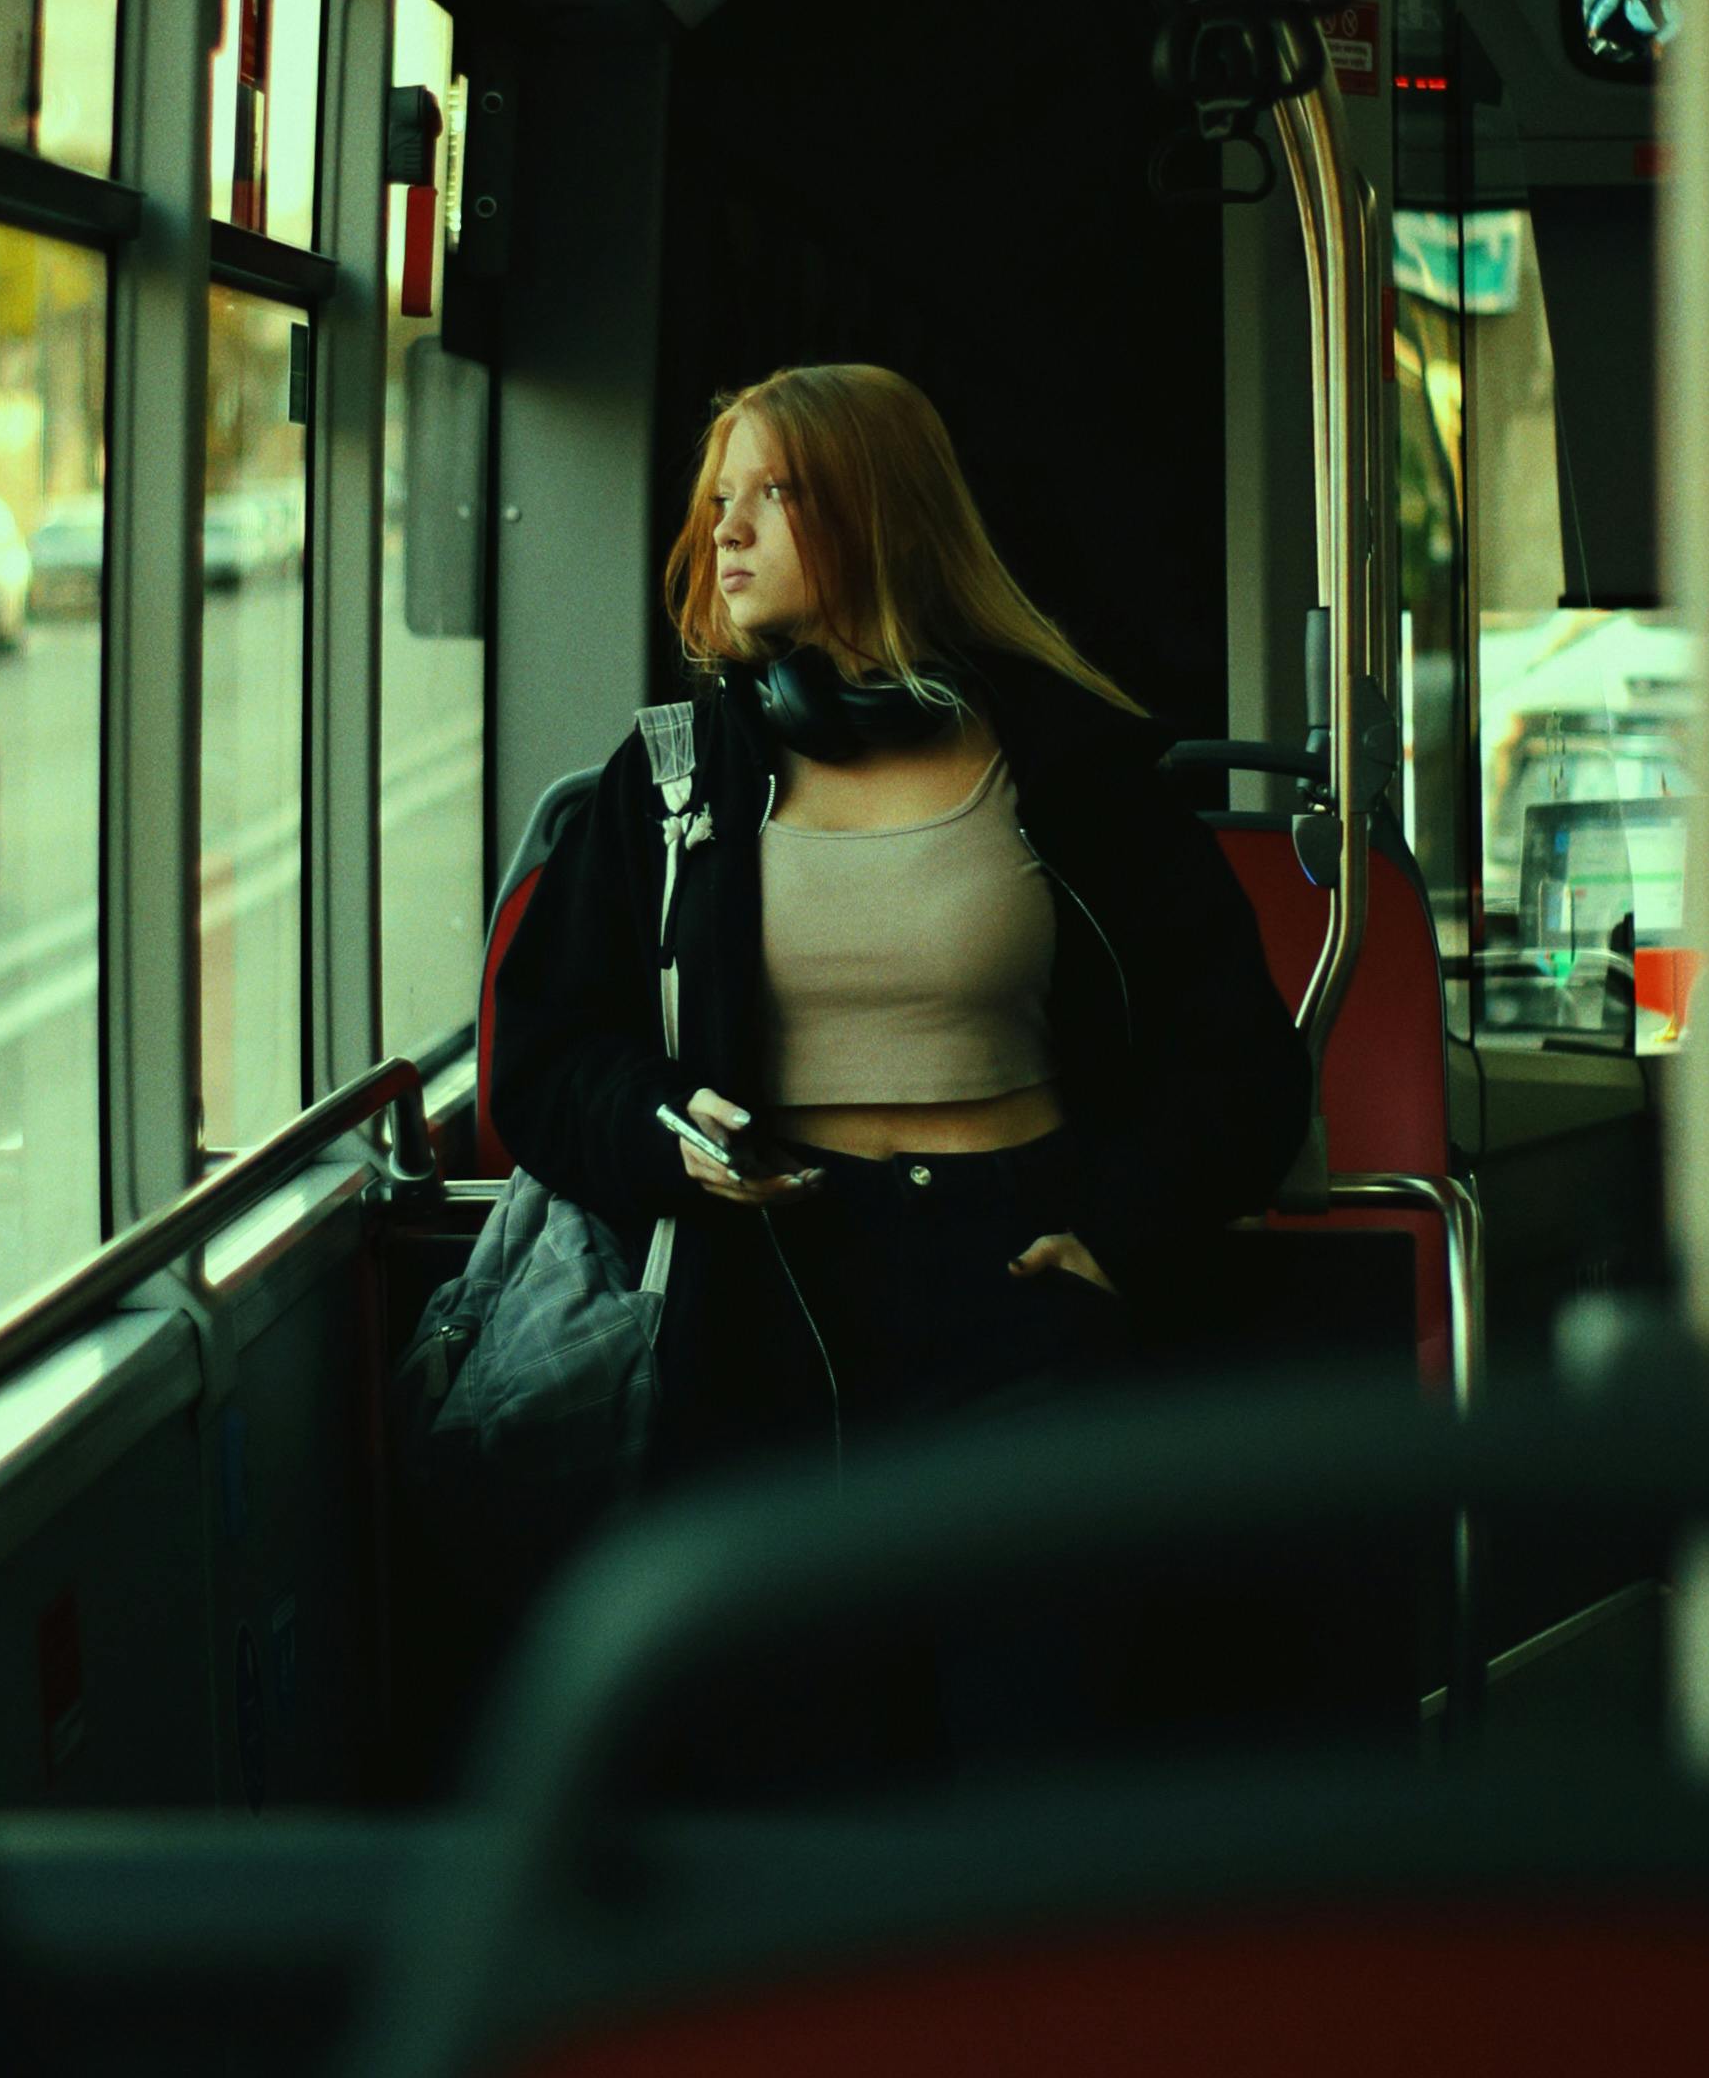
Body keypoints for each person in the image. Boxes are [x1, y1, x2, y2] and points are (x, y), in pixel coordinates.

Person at [491, 363, 1311, 1472]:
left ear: (880, 514)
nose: (725, 531)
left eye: (771, 493)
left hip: (1024, 1263)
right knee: (802, 1645)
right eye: (717, 500)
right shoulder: (673, 778)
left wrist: (1123, 1235)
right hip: (766, 1285)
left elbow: (1239, 1057)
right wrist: (668, 1129)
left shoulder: (1070, 767)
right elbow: (543, 1057)